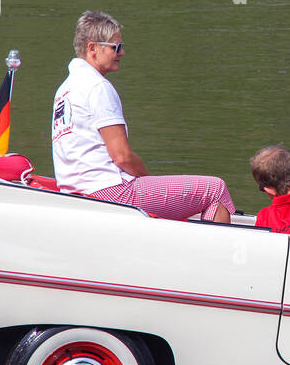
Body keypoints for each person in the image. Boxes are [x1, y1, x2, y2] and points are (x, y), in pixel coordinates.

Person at [51, 11, 235, 222]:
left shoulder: (64, 90)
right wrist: (150, 182)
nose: (122, 53)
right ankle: (213, 255)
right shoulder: (97, 86)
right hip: (110, 191)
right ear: (93, 48)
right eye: (116, 47)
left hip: (75, 194)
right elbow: (122, 156)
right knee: (215, 190)